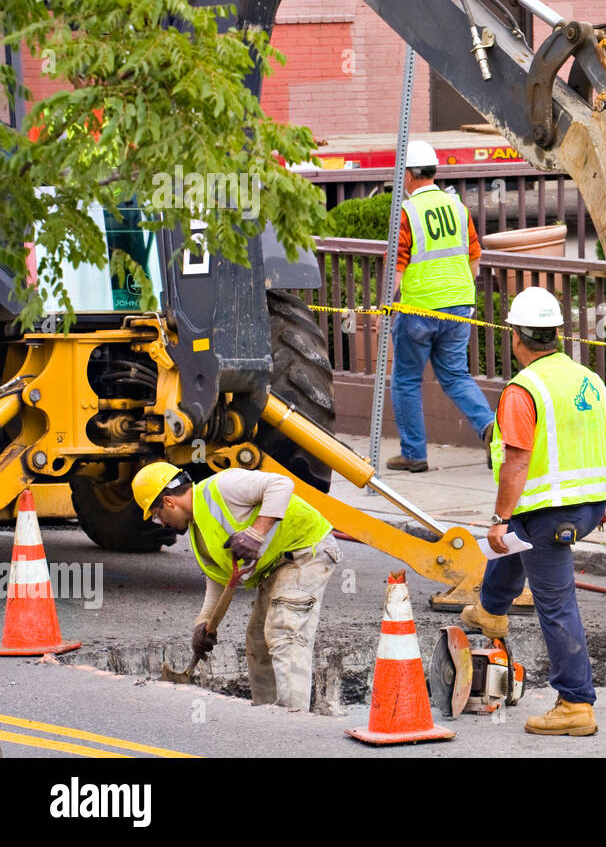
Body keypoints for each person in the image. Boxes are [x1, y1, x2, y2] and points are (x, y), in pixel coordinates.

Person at [459, 287, 606, 737]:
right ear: (557, 335)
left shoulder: (522, 390)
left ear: (516, 338)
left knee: (555, 602)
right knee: (518, 538)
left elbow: (518, 461)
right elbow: (600, 441)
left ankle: (576, 704)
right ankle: (491, 609)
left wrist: (499, 518)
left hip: (551, 514)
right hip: (587, 505)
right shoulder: (588, 379)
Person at [131, 462, 340, 710]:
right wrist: (204, 622)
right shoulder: (199, 529)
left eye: (156, 515)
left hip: (306, 551)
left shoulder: (222, 487)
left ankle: (291, 719)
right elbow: (220, 578)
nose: (162, 523)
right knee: (258, 640)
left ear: (168, 501)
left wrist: (256, 533)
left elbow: (281, 484)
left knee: (285, 631)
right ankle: (265, 713)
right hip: (275, 566)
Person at [387, 139, 495, 473]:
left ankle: (414, 454)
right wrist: (464, 293)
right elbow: (474, 258)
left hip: (419, 308)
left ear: (407, 175)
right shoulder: (458, 208)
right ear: (433, 171)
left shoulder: (407, 212)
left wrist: (386, 305)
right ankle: (492, 428)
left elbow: (398, 266)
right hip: (459, 305)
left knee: (406, 380)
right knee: (456, 376)